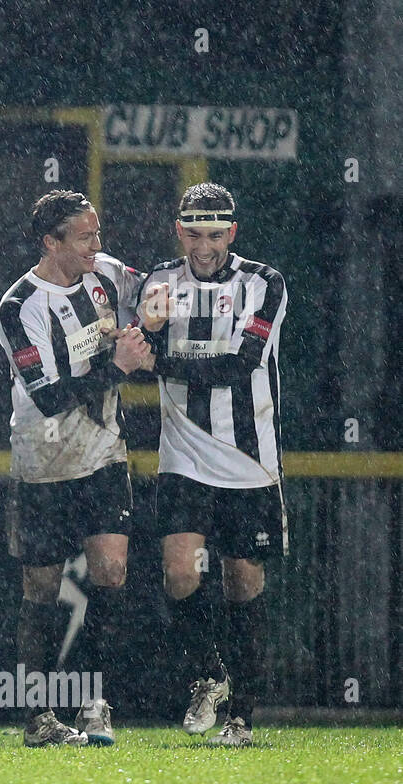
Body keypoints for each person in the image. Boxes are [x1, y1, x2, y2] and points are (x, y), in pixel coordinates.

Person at [0, 189, 148, 747]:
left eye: (97, 234)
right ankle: (38, 716)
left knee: (111, 572)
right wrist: (118, 364)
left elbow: (152, 286)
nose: (96, 246)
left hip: (104, 454)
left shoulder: (105, 274)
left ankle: (94, 704)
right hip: (44, 460)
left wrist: (158, 308)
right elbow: (51, 397)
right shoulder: (18, 308)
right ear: (50, 242)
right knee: (41, 587)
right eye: (84, 237)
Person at [136, 183, 288, 747]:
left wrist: (159, 359)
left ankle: (242, 717)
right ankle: (210, 673)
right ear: (179, 231)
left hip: (248, 457)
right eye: (194, 233)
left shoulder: (264, 283)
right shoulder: (158, 282)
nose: (205, 246)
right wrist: (146, 331)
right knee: (179, 572)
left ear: (233, 232)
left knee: (243, 581)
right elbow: (133, 348)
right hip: (184, 454)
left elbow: (243, 364)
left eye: (215, 234)